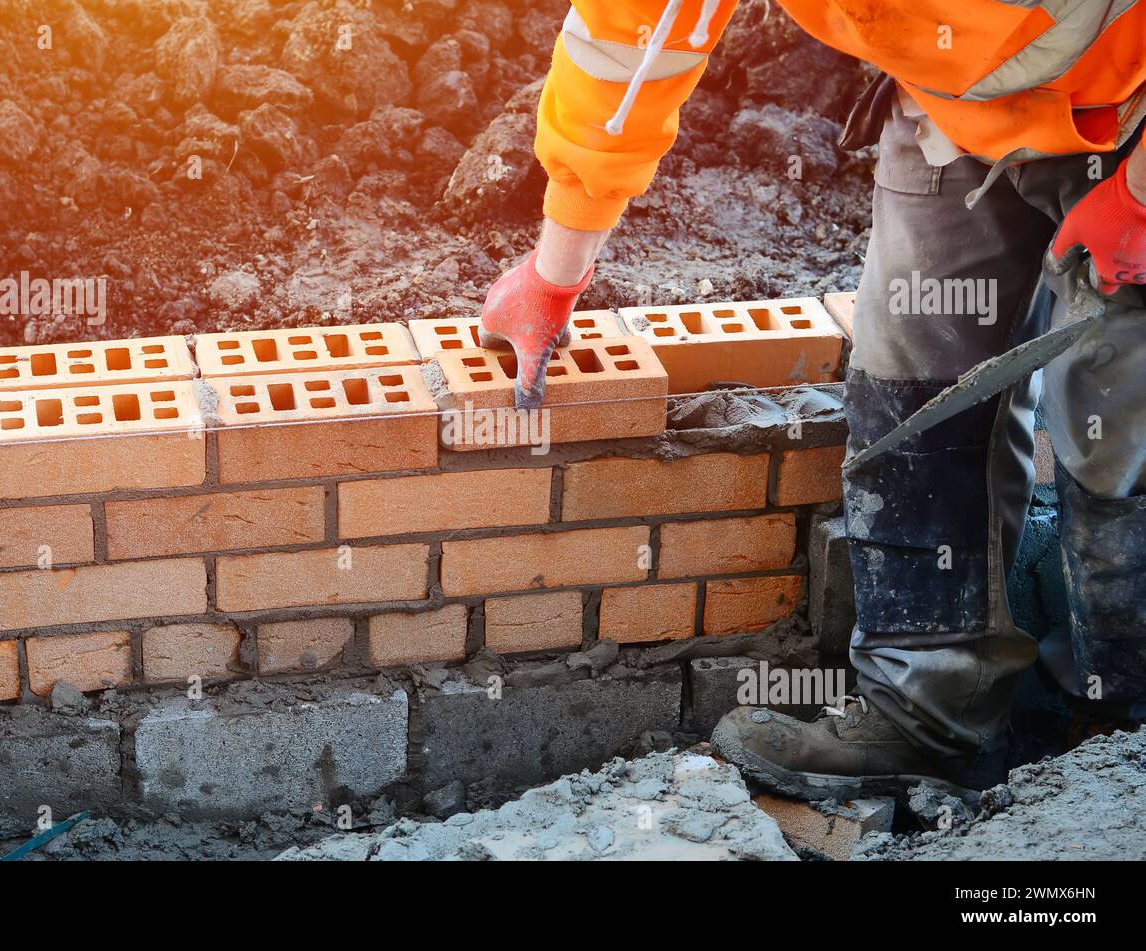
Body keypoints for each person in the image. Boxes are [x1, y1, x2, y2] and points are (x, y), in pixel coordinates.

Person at [479, 0, 1146, 799]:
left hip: (1128, 108)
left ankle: (1115, 744)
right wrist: (557, 269)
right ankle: (928, 720)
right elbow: (629, 48)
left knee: (1115, 432)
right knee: (909, 382)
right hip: (953, 109)